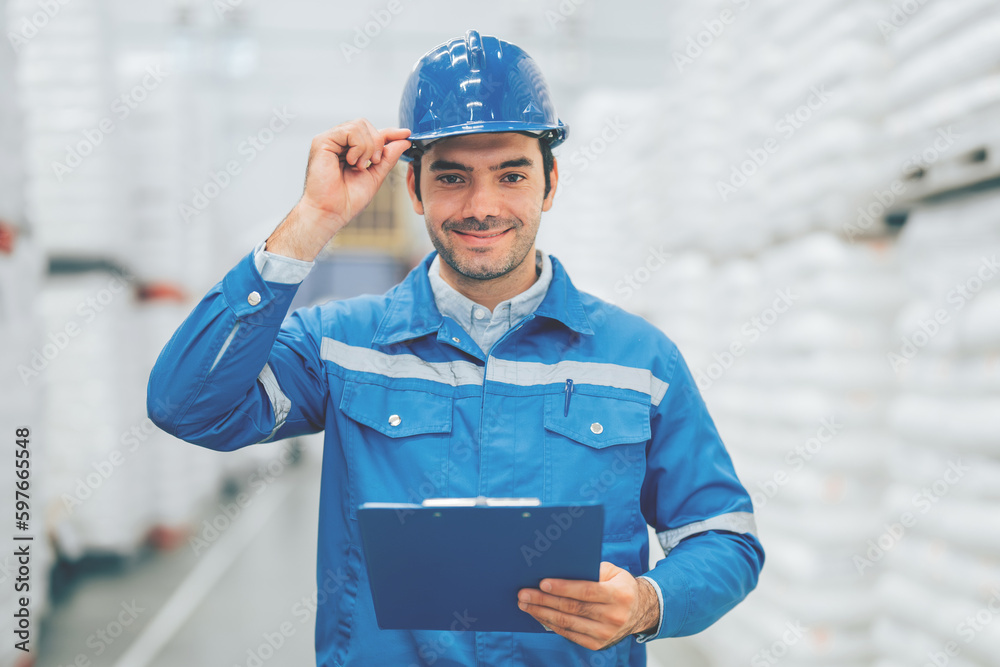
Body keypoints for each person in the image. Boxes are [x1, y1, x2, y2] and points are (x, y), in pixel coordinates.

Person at [147, 29, 764, 667]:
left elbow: (724, 535)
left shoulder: (639, 361)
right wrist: (312, 221)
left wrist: (648, 602)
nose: (482, 205)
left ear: (549, 185)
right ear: (413, 190)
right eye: (452, 177)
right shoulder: (341, 346)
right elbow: (188, 404)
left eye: (511, 174)